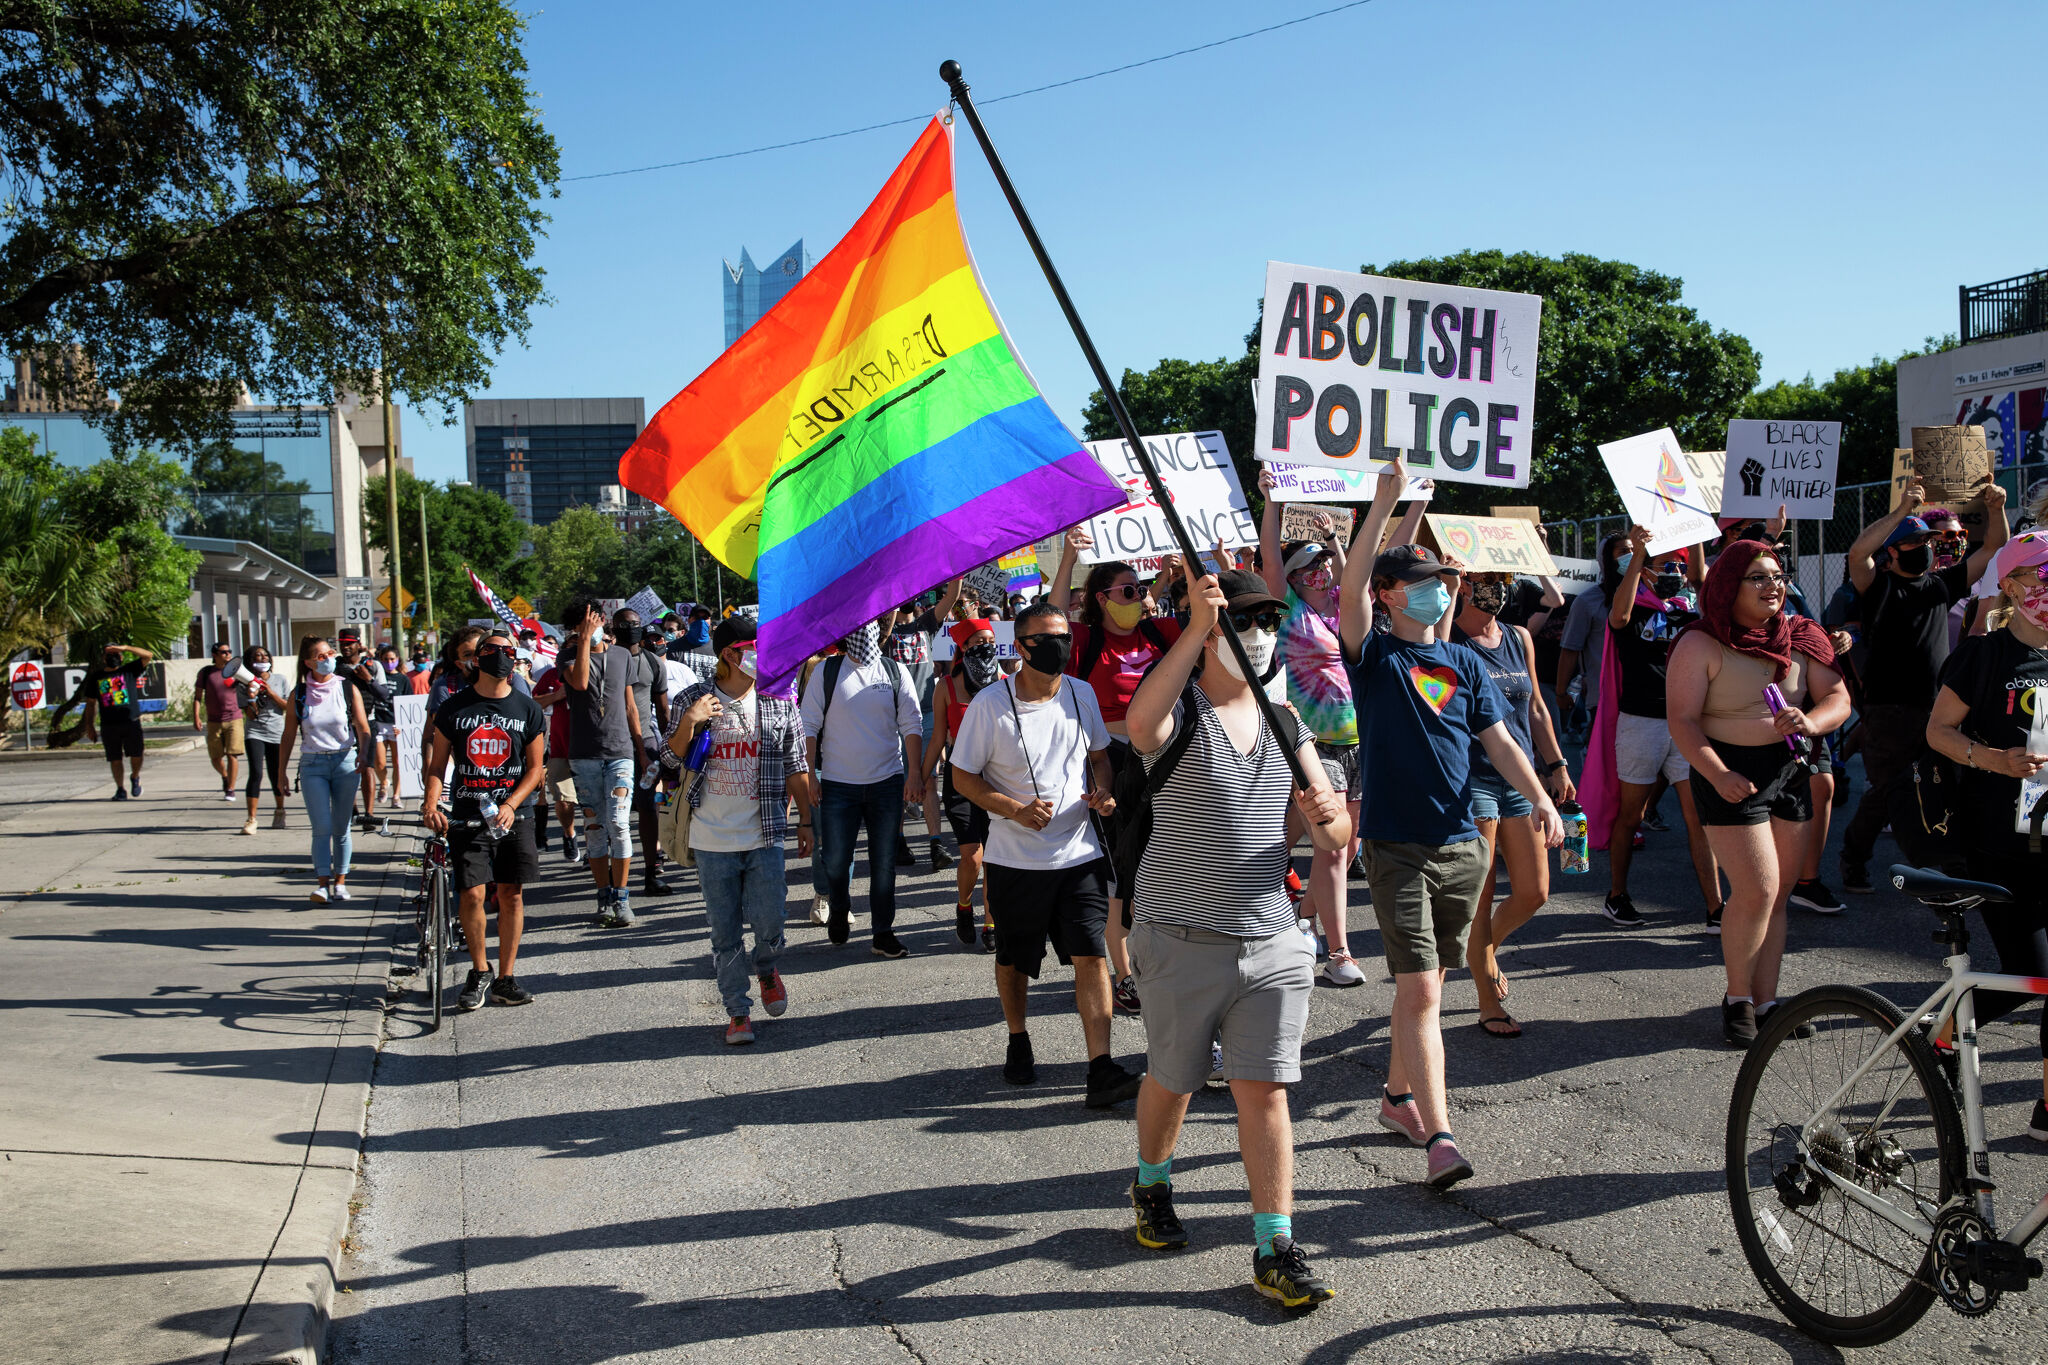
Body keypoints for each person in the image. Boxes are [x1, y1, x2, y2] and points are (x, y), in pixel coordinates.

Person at [1122, 568, 1350, 1305]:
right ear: (1213, 632)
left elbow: (1338, 829)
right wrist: (1193, 626)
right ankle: (1152, 1183)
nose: (1256, 634)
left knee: (1266, 1091)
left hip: (1272, 940)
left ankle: (1275, 1244)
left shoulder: (1286, 723)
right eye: (1241, 621)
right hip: (1180, 935)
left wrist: (1327, 815)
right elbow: (1138, 727)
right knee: (1175, 1079)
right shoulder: (1182, 710)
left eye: (1267, 621)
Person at [1340, 458, 1562, 1190]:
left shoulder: (1463, 664)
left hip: (1463, 846)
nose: (1441, 587)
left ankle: (1398, 1099)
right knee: (1426, 993)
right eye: (1423, 579)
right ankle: (1440, 1134)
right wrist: (1385, 503)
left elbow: (1500, 740)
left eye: (1443, 577)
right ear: (1389, 595)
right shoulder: (1373, 655)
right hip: (1396, 847)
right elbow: (1351, 588)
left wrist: (1541, 797)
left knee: (1426, 980)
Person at [949, 600, 1142, 1106]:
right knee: (1015, 960)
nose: (1058, 646)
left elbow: (1099, 757)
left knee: (1090, 955)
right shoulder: (990, 705)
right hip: (1014, 861)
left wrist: (1103, 792)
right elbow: (962, 776)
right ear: (1022, 646)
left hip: (1078, 855)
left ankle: (1099, 1067)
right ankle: (1018, 1038)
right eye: (1045, 639)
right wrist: (1012, 809)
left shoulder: (1081, 693)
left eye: (1064, 637)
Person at [1666, 542, 1849, 1045]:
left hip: (1790, 768)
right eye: (1757, 578)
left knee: (1780, 894)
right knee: (1757, 890)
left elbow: (1838, 697)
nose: (1774, 585)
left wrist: (1811, 721)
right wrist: (1718, 773)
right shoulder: (1700, 642)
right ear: (1729, 586)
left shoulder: (1801, 636)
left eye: (1777, 576)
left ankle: (1768, 1003)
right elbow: (1681, 722)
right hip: (1727, 771)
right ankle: (1737, 998)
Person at [1927, 528, 2048, 1142]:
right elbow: (1938, 732)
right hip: (2002, 841)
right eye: (2041, 577)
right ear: (2010, 584)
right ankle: (1942, 1036)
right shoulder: (1983, 655)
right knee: (2031, 971)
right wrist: (1994, 760)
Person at [1839, 480, 2011, 893]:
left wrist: (1996, 509)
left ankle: (1948, 860)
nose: (1927, 547)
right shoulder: (1877, 586)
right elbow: (1858, 553)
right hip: (1889, 710)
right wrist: (1901, 511)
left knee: (1944, 782)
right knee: (1888, 790)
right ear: (1893, 552)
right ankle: (1854, 860)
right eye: (1916, 542)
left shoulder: (1939, 585)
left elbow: (1993, 552)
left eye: (1928, 541)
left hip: (1937, 707)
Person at [659, 616, 812, 1044]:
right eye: (753, 647)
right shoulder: (694, 697)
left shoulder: (779, 697)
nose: (763, 655)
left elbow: (796, 763)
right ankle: (738, 1012)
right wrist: (690, 720)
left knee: (772, 923)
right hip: (710, 838)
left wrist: (806, 819)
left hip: (764, 834)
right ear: (729, 653)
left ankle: (766, 967)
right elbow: (669, 761)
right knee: (724, 933)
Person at [1050, 525, 1183, 1013]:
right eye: (1129, 590)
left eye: (1142, 589)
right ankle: (1126, 976)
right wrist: (1067, 558)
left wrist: (1195, 563)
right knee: (1119, 871)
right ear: (1101, 599)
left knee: (1164, 861)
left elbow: (1204, 627)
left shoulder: (1158, 631)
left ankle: (1165, 958)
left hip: (1165, 757)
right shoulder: (1085, 641)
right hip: (1111, 759)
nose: (1139, 597)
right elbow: (1054, 614)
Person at [1450, 570, 1574, 1037]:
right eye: (1486, 579)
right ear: (1464, 584)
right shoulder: (1451, 638)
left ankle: (1481, 951)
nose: (1497, 587)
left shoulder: (1519, 637)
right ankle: (1488, 1001)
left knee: (1533, 891)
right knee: (1479, 899)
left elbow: (1537, 708)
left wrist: (1556, 763)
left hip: (1520, 778)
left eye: (1503, 578)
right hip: (1474, 778)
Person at [1256, 477, 1365, 988]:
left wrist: (1339, 545)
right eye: (1312, 567)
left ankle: (1294, 916)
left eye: (1325, 565)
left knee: (1328, 843)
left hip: (1359, 743)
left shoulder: (1344, 613)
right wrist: (1272, 502)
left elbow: (1356, 578)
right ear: (1295, 581)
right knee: (1334, 849)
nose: (1321, 572)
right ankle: (1339, 953)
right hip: (1313, 745)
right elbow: (1272, 565)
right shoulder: (1290, 612)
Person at [1583, 526, 1721, 929]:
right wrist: (1640, 556)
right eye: (1665, 565)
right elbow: (1620, 617)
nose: (1673, 570)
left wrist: (1696, 532)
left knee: (1698, 816)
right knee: (1632, 814)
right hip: (1640, 723)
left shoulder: (1687, 606)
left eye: (1676, 563)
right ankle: (1617, 894)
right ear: (1645, 569)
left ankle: (1716, 907)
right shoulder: (1627, 602)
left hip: (1686, 723)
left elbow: (1700, 580)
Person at [423, 629, 546, 1010]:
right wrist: (431, 803)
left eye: (509, 651)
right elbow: (437, 764)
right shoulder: (454, 707)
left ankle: (506, 978)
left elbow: (536, 768)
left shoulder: (528, 709)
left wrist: (511, 804)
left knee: (511, 894)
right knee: (472, 892)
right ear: (477, 659)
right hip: (467, 811)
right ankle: (479, 970)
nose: (502, 656)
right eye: (492, 650)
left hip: (514, 814)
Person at [801, 618, 924, 956]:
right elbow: (808, 724)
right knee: (836, 860)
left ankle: (883, 933)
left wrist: (914, 773)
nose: (864, 633)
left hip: (886, 783)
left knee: (884, 863)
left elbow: (912, 722)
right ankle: (839, 906)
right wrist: (810, 775)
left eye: (871, 625)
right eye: (857, 626)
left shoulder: (894, 671)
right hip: (838, 785)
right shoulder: (826, 672)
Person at [562, 598, 642, 926]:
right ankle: (603, 894)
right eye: (583, 622)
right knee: (595, 828)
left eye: (594, 619)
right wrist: (584, 642)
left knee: (620, 824)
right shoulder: (566, 656)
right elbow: (581, 683)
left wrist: (642, 748)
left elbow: (630, 706)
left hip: (619, 751)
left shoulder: (622, 655)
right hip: (584, 754)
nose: (591, 625)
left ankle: (623, 898)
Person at [277, 636, 372, 903]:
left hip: (344, 762)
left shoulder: (346, 689)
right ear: (308, 662)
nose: (329, 658)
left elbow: (363, 728)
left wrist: (363, 755)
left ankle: (340, 882)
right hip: (313, 765)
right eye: (321, 656)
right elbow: (287, 735)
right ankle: (322, 884)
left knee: (341, 827)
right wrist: (281, 771)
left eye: (330, 653)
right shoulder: (299, 694)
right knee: (321, 827)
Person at [927, 617, 1003, 950]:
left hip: (998, 778)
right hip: (960, 776)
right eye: (976, 642)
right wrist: (919, 777)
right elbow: (937, 739)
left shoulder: (1006, 682)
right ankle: (963, 905)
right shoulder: (945, 686)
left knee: (995, 857)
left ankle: (991, 922)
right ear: (963, 648)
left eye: (989, 640)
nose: (984, 647)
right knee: (972, 856)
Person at [885, 579, 962, 872]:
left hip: (927, 711)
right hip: (892, 716)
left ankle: (935, 842)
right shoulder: (884, 632)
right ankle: (899, 839)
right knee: (897, 780)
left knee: (928, 779)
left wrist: (957, 567)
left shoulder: (926, 623)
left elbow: (952, 596)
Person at [613, 612, 671, 899]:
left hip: (646, 743)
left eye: (636, 624)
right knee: (613, 813)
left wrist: (671, 748)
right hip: (611, 742)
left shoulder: (651, 662)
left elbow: (662, 711)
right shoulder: (607, 659)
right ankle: (613, 879)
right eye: (625, 625)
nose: (631, 629)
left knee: (650, 808)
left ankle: (651, 871)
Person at [1556, 533, 1629, 735]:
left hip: (1641, 695)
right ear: (1606, 558)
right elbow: (1570, 648)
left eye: (1633, 550)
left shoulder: (1646, 597)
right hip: (1603, 697)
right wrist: (1561, 692)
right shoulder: (1587, 602)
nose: (1630, 555)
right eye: (1623, 552)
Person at [334, 629, 394, 834]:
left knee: (367, 768)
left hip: (368, 722)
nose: (345, 646)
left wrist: (368, 679)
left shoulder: (373, 666)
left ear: (358, 644)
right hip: (342, 724)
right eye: (342, 642)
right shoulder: (335, 667)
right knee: (346, 769)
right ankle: (352, 811)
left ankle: (369, 813)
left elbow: (384, 695)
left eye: (350, 643)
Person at [83, 642, 153, 799]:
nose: (112, 657)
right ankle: (120, 789)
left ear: (121, 657)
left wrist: (125, 648)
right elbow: (91, 703)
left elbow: (148, 655)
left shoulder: (128, 670)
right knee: (115, 758)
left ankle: (135, 777)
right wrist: (89, 726)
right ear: (103, 658)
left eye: (115, 654)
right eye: (109, 654)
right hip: (109, 724)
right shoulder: (96, 677)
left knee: (137, 754)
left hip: (131, 721)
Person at [529, 654, 580, 864]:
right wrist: (558, 695)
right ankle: (569, 834)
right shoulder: (552, 675)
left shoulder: (597, 671)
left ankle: (595, 849)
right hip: (559, 750)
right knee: (564, 801)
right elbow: (533, 704)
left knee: (593, 805)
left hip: (592, 750)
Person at [236, 644, 291, 834]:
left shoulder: (280, 680)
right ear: (249, 661)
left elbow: (287, 706)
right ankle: (251, 818)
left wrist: (270, 692)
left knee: (275, 773)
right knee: (256, 773)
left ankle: (280, 810)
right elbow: (250, 715)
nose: (262, 659)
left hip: (276, 732)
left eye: (265, 655)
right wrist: (252, 696)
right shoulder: (243, 684)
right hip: (255, 732)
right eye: (257, 656)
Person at [193, 641, 245, 801]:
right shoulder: (206, 672)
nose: (228, 654)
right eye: (224, 652)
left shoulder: (236, 672)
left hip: (234, 719)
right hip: (214, 720)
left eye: (229, 651)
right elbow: (197, 697)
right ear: (215, 655)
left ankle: (231, 788)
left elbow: (250, 687)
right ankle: (225, 776)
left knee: (232, 755)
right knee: (215, 757)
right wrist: (196, 716)